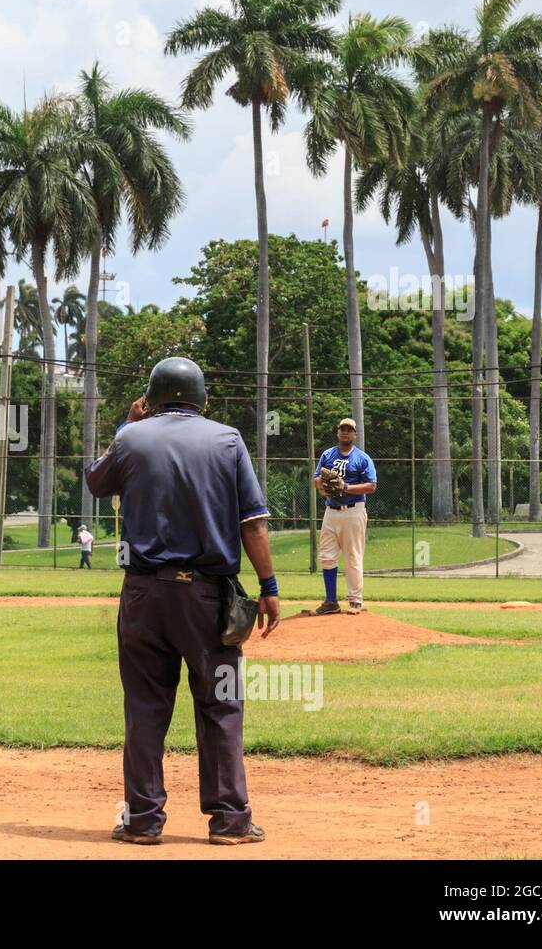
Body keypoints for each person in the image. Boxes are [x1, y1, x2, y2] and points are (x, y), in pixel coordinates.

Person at [85, 357, 280, 846]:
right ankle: (230, 821)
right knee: (221, 705)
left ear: (150, 398)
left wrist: (127, 426)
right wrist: (269, 587)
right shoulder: (228, 439)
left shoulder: (131, 436)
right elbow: (252, 523)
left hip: (144, 594)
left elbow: (96, 481)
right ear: (201, 397)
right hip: (208, 598)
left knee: (146, 706)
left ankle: (144, 821)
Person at [312, 418, 377, 614]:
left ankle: (355, 601)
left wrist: (346, 487)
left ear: (355, 435)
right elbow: (316, 478)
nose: (346, 432)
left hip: (353, 510)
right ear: (338, 432)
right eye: (343, 429)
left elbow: (372, 485)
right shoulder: (327, 454)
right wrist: (323, 488)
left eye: (349, 430)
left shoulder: (362, 458)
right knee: (327, 556)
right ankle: (331, 601)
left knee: (353, 555)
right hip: (330, 511)